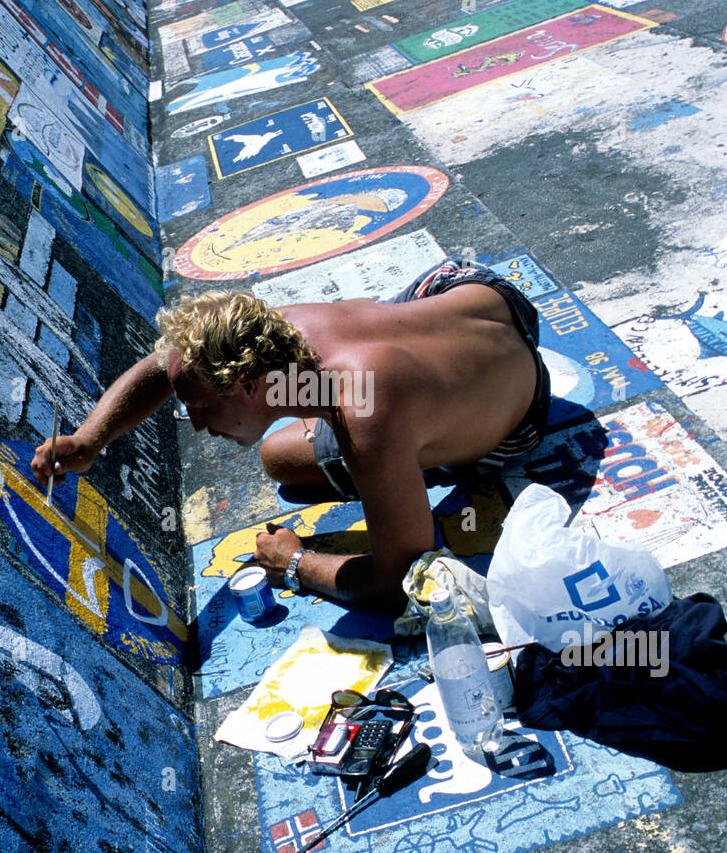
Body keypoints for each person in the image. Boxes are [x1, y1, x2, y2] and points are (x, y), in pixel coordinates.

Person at [31, 260, 550, 610]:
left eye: (202, 407)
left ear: (250, 385)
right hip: (477, 293)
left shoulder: (362, 409)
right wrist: (89, 439)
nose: (195, 424)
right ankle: (420, 411)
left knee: (293, 455)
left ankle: (423, 433)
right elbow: (166, 366)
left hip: (520, 411)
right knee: (281, 453)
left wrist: (294, 563)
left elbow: (403, 576)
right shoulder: (267, 336)